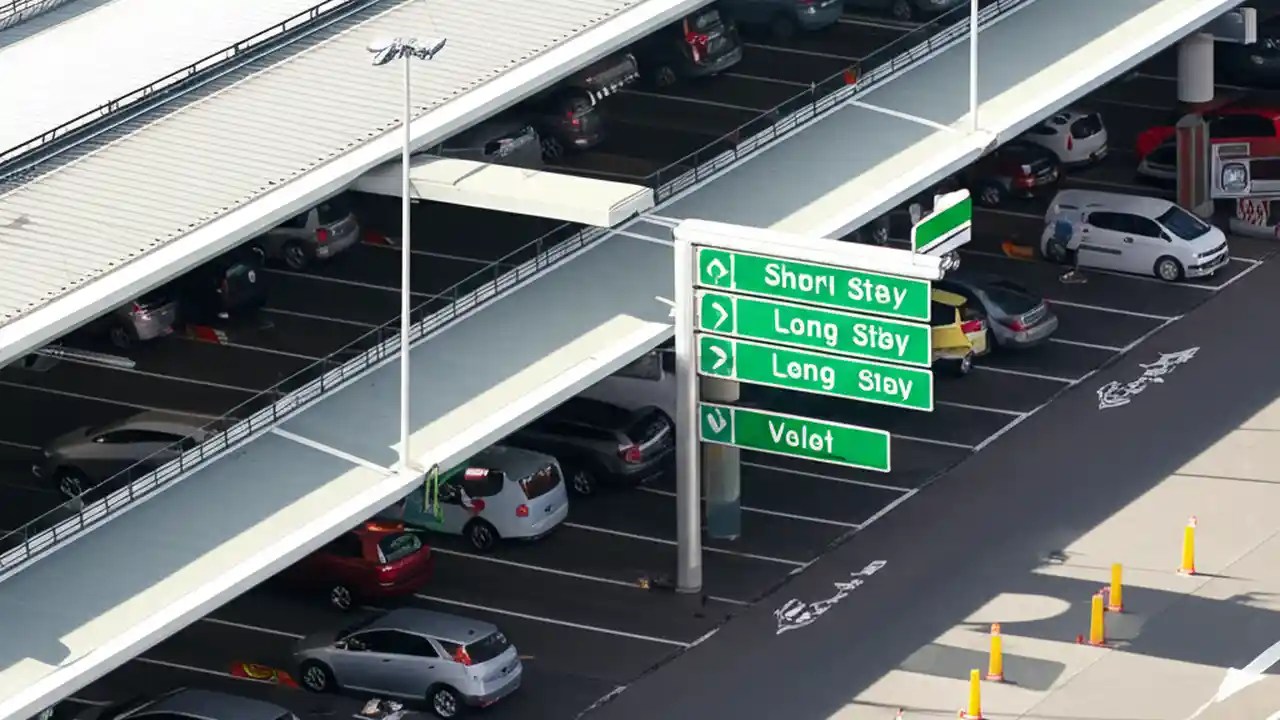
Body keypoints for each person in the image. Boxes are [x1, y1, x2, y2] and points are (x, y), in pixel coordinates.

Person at [1049, 218, 1087, 284]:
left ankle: (1072, 273)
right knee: (1072, 259)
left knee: (1072, 259)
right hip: (1072, 245)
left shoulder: (1077, 228)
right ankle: (1071, 274)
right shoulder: (1077, 228)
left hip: (1072, 245)